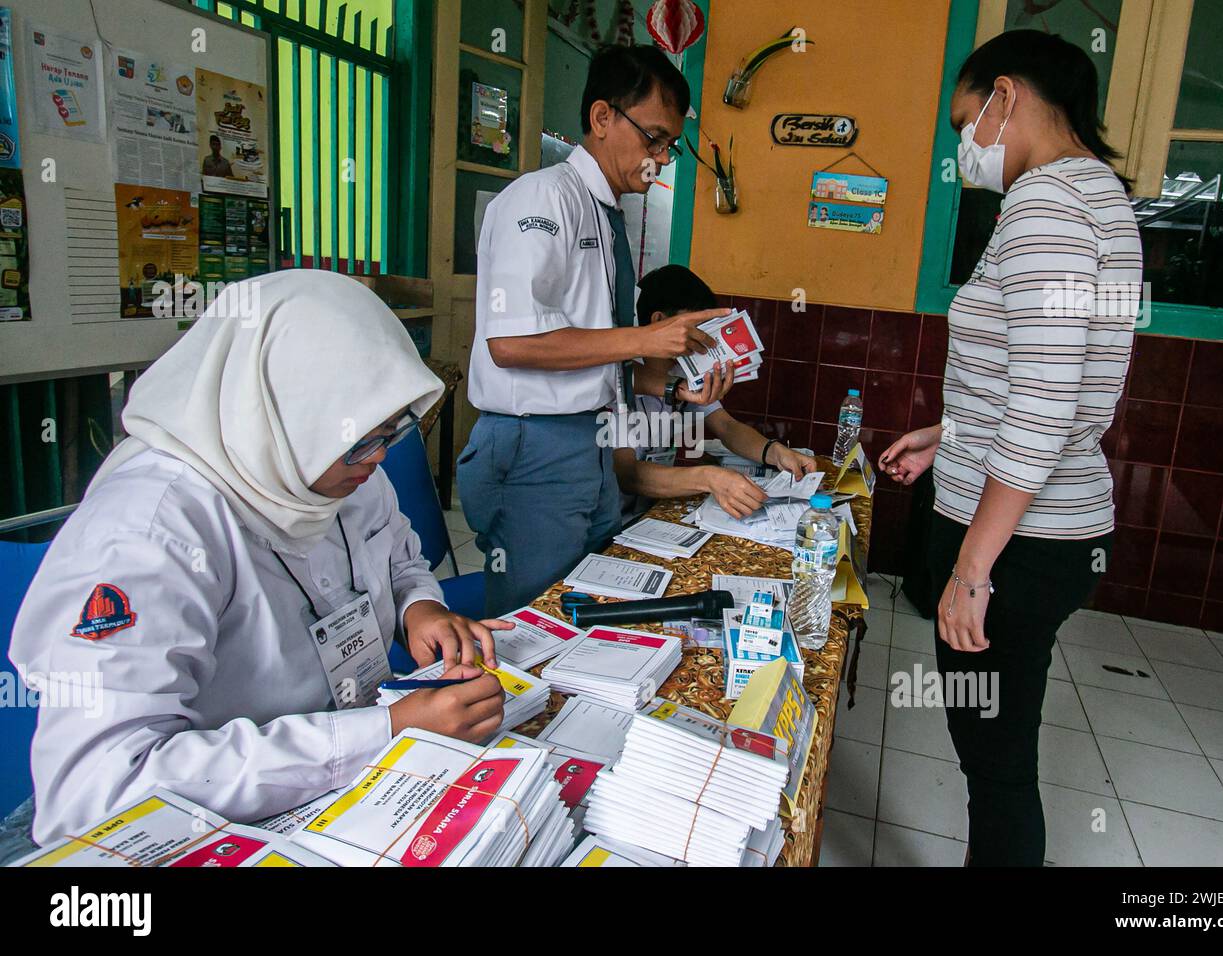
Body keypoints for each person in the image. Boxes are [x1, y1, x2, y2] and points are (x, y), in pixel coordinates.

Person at [9, 271, 512, 846]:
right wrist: (384, 731)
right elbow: (96, 794)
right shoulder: (149, 533)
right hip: (198, 824)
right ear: (276, 417)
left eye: (391, 433)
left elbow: (400, 556)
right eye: (359, 440)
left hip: (341, 759)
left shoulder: (345, 471)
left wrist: (419, 608)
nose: (378, 458)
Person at [877, 30, 1141, 867]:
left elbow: (1042, 407)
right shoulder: (1102, 199)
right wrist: (947, 433)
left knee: (994, 765)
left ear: (1006, 96)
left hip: (1015, 544)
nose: (967, 146)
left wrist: (971, 569)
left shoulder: (1044, 204)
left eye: (966, 122)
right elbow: (1060, 382)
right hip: (1057, 529)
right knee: (1000, 746)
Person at [460, 44, 731, 617]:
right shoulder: (543, 198)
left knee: (592, 605)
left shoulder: (605, 215)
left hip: (595, 438)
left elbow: (592, 351)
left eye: (669, 146)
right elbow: (510, 344)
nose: (661, 158)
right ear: (602, 117)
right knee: (536, 620)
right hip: (536, 446)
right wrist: (648, 340)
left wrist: (674, 387)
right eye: (654, 138)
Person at [613, 265, 818, 523]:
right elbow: (627, 475)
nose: (701, 337)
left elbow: (726, 426)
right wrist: (709, 478)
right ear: (658, 320)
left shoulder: (684, 372)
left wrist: (775, 452)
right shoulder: (617, 378)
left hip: (649, 514)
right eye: (694, 326)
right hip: (612, 523)